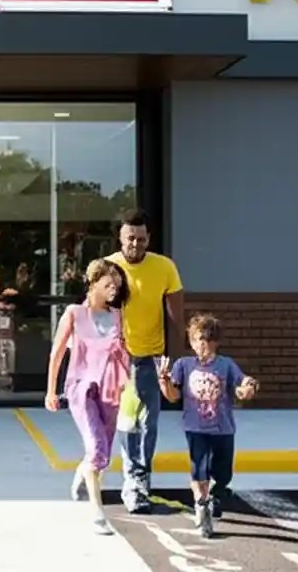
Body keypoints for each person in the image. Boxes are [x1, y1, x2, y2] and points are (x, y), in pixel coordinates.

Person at [44, 258, 132, 535]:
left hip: (110, 388)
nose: (113, 291)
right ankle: (97, 511)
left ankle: (84, 471)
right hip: (80, 388)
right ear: (93, 284)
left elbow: (123, 355)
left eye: (116, 286)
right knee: (96, 447)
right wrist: (50, 391)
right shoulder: (73, 313)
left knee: (103, 452)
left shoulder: (118, 316)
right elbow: (57, 353)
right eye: (108, 285)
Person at [106, 207, 184, 514]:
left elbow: (177, 318)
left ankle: (140, 477)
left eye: (140, 238)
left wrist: (175, 361)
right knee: (128, 422)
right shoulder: (109, 267)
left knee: (148, 422)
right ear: (120, 238)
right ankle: (133, 482)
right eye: (130, 238)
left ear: (148, 238)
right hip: (121, 358)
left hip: (153, 357)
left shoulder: (164, 267)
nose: (135, 244)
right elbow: (96, 311)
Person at [158, 313, 259, 538]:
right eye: (196, 340)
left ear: (215, 342)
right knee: (199, 470)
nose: (201, 345)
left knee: (223, 474)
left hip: (222, 427)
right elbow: (173, 396)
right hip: (195, 428)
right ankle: (201, 506)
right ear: (190, 342)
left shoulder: (225, 365)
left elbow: (243, 384)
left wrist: (248, 388)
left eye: (206, 340)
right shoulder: (184, 365)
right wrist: (164, 382)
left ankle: (215, 492)